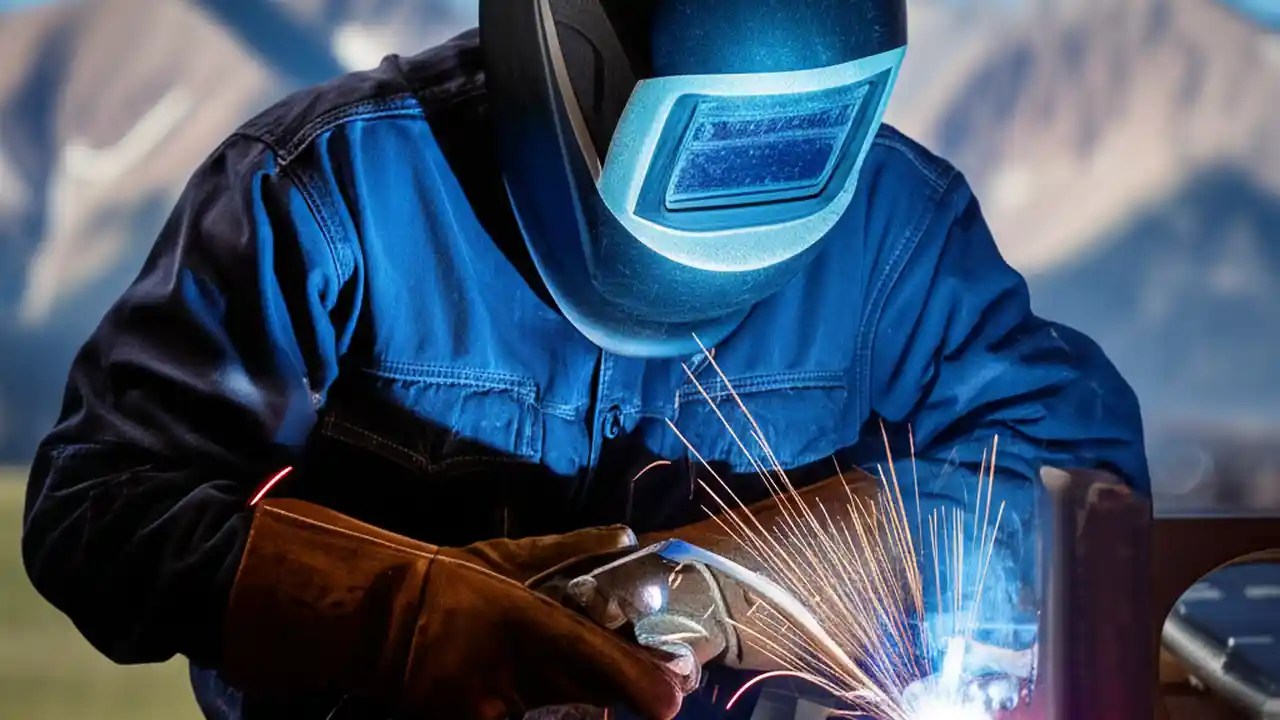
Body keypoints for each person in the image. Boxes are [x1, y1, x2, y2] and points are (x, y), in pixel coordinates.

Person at [21, 1, 1149, 719]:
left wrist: (724, 583)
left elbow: (1077, 489)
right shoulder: (331, 194)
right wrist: (402, 613)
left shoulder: (894, 230)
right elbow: (102, 508)